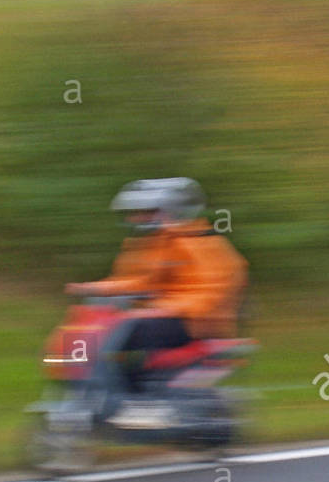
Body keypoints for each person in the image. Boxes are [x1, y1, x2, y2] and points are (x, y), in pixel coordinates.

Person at [66, 178, 247, 417]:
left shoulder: (200, 242)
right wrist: (96, 289)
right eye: (136, 212)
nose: (136, 218)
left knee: (126, 328)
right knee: (103, 333)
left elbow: (212, 289)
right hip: (164, 317)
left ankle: (124, 403)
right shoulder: (155, 243)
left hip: (194, 322)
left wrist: (167, 308)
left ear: (170, 211)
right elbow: (142, 282)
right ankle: (115, 396)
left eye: (146, 212)